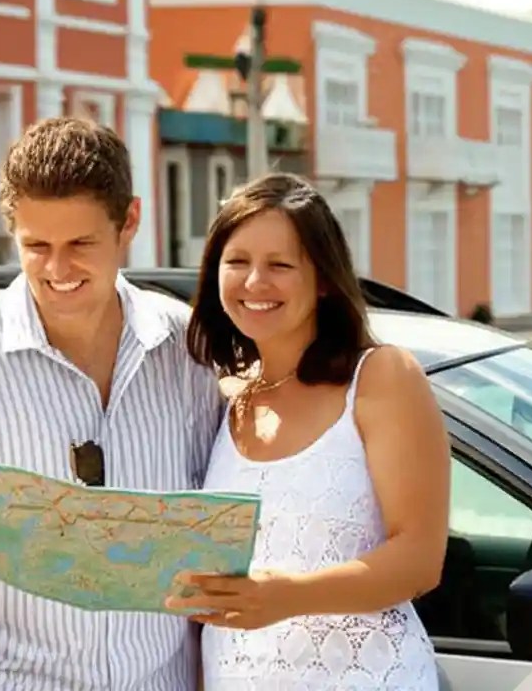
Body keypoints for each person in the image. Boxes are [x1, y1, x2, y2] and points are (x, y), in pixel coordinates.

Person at [0, 117, 224, 690]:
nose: (57, 270)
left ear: (129, 220)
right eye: (36, 247)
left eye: (81, 244)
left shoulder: (190, 351)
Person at [165, 173, 451, 689]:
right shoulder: (223, 400)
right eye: (237, 262)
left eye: (280, 264)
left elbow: (420, 560)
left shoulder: (381, 377)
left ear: (322, 278)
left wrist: (286, 596)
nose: (255, 282)